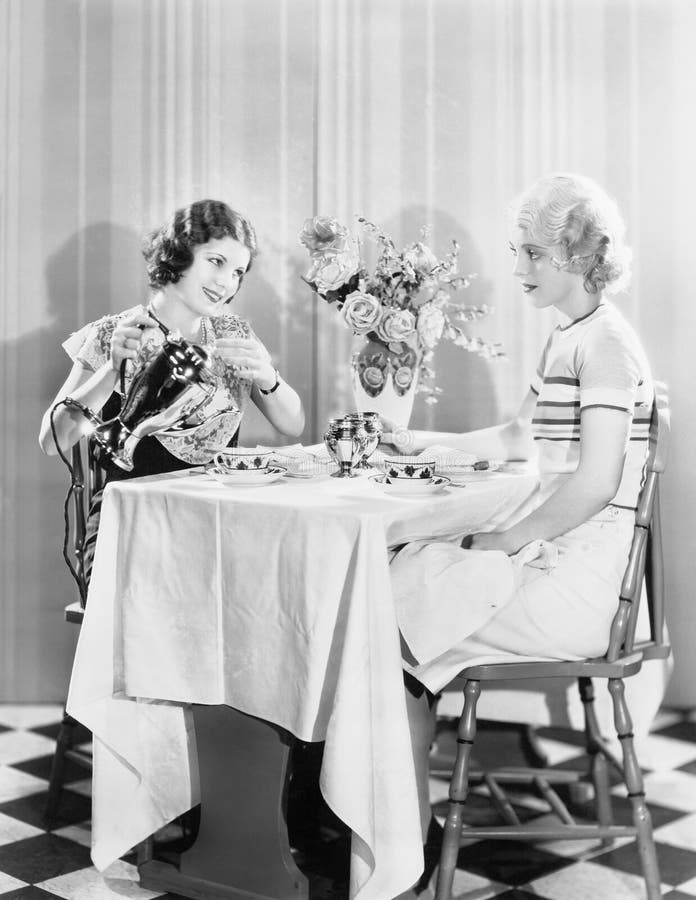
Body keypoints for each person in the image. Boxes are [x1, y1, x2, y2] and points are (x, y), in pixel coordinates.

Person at [387, 173, 653, 897]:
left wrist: (506, 544)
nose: (518, 268)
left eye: (533, 253)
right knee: (398, 580)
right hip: (558, 554)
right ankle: (387, 822)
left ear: (577, 254)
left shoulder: (607, 346)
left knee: (391, 618)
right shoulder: (569, 337)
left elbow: (596, 482)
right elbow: (518, 437)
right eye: (518, 251)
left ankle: (398, 843)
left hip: (582, 582)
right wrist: (425, 442)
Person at [39, 198, 305, 577]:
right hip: (133, 526)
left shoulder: (234, 334)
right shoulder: (114, 333)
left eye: (237, 272)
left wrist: (268, 377)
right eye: (215, 262)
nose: (225, 283)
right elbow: (52, 441)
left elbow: (292, 424)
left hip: (216, 523)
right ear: (178, 254)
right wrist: (112, 370)